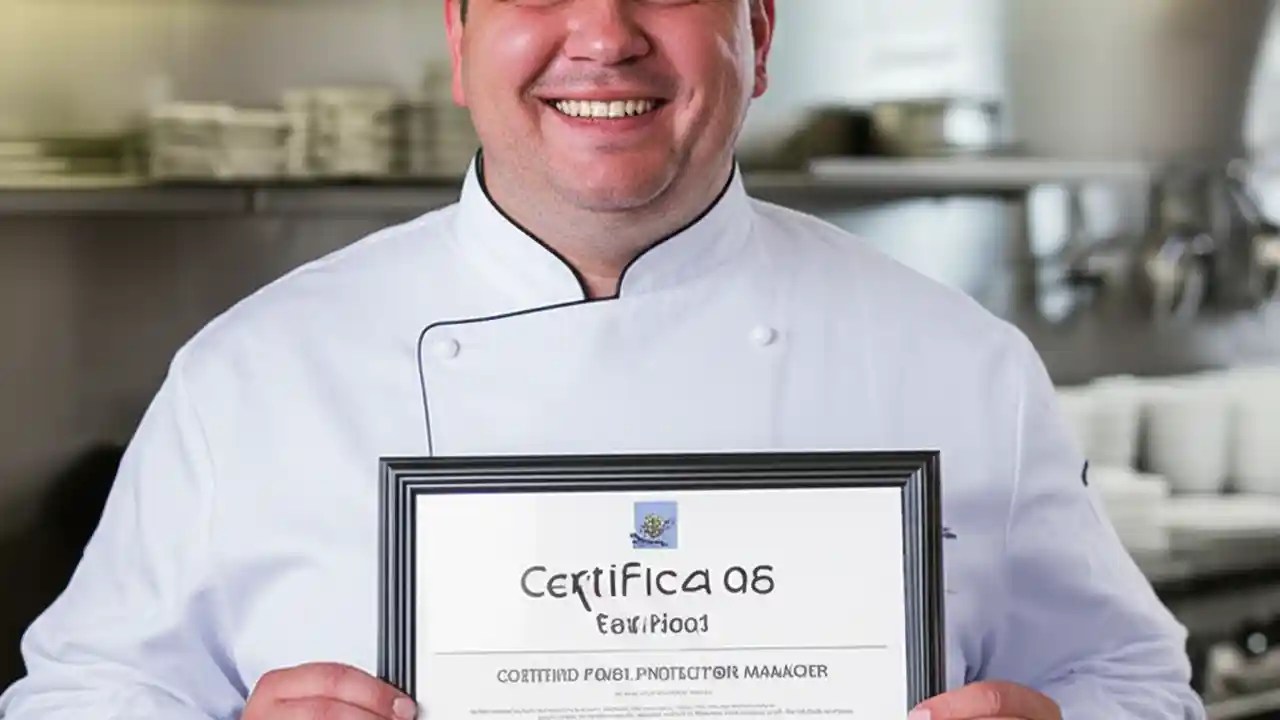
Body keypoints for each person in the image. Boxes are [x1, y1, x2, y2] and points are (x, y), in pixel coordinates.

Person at [0, 1, 1203, 719]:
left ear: (758, 32)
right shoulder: (253, 373)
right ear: (461, 41)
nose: (604, 35)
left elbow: (1134, 681)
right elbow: (78, 694)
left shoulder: (954, 360)